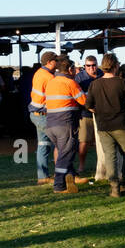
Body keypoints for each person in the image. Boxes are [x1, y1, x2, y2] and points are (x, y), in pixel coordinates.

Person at [83, 53, 125, 197]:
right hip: (121, 124)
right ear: (115, 65)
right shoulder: (121, 82)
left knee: (110, 156)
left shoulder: (95, 84)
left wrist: (100, 110)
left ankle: (114, 187)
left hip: (103, 125)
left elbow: (88, 105)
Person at [41, 55, 86, 193]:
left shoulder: (51, 82)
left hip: (50, 125)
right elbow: (85, 101)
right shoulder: (70, 83)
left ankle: (70, 177)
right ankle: (59, 186)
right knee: (65, 155)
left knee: (63, 152)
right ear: (70, 69)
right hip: (65, 124)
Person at [27, 50, 58, 184]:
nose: (57, 63)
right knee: (60, 143)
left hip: (36, 114)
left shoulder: (39, 73)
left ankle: (43, 177)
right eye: (55, 60)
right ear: (49, 62)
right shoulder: (49, 77)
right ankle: (63, 174)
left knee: (43, 145)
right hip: (43, 115)